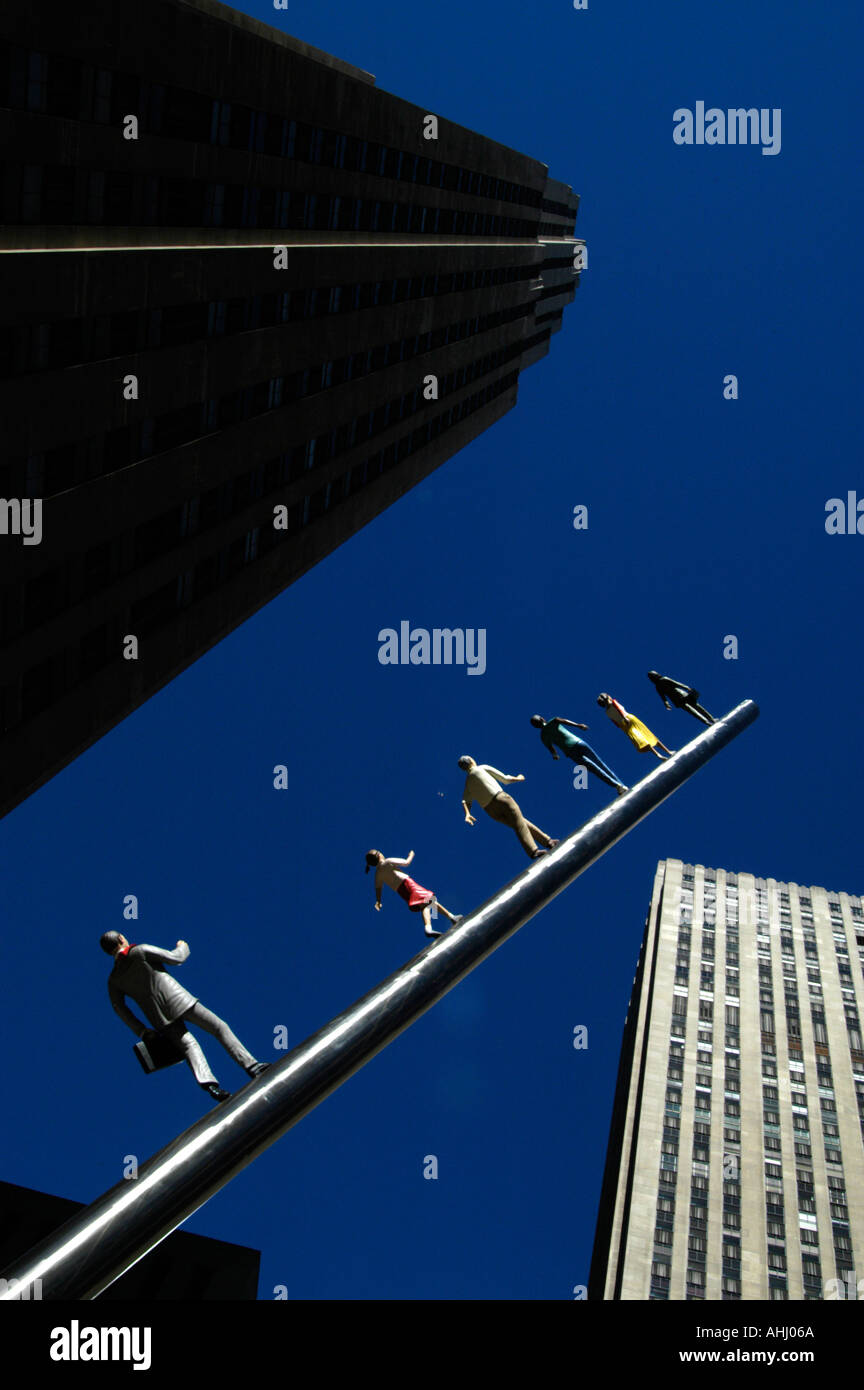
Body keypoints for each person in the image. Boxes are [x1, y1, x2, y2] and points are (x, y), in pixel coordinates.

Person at [101, 932, 269, 1104]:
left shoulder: (114, 979)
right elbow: (176, 958)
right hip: (178, 999)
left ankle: (210, 1084)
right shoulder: (140, 951)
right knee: (219, 1027)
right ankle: (252, 1066)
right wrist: (183, 946)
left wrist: (142, 1031)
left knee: (189, 1046)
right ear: (122, 939)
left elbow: (119, 1009)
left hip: (158, 1018)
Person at [458, 756, 559, 859]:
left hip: (490, 810)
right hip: (501, 799)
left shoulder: (468, 783)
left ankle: (548, 841)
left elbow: (465, 801)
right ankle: (533, 851)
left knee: (520, 822)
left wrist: (467, 814)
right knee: (519, 824)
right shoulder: (482, 768)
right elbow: (505, 779)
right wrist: (519, 778)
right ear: (471, 761)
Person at [365, 850, 461, 938]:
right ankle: (431, 927)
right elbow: (406, 863)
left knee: (430, 901)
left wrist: (378, 901)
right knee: (428, 902)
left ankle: (450, 918)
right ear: (379, 855)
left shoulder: (378, 874)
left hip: (402, 892)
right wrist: (411, 855)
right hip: (408, 884)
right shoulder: (387, 861)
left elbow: (378, 888)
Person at [530, 715, 628, 795]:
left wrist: (555, 755)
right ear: (542, 719)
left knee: (593, 768)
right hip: (578, 742)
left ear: (536, 727)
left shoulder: (543, 736)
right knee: (600, 763)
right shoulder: (553, 721)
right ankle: (621, 784)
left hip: (570, 751)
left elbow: (551, 749)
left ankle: (617, 786)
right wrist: (578, 725)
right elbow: (565, 721)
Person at [596, 693, 675, 760]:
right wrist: (624, 718)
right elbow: (619, 710)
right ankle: (663, 753)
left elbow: (615, 722)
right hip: (628, 720)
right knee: (644, 739)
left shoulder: (607, 712)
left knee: (646, 737)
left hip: (625, 725)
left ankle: (664, 752)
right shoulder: (613, 702)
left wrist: (623, 725)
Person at [647, 671, 716, 727]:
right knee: (695, 710)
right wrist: (666, 704)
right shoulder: (660, 684)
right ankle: (709, 721)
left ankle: (710, 720)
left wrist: (686, 687)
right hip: (679, 697)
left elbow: (675, 684)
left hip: (678, 698)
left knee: (696, 709)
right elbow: (664, 696)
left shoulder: (662, 682)